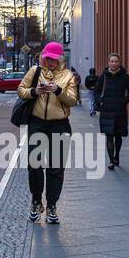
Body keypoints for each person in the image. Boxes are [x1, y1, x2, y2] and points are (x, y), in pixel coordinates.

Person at [19, 41, 79, 225]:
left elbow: (72, 100)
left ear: (60, 59)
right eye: (47, 59)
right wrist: (35, 91)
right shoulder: (34, 71)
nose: (50, 62)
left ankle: (52, 205)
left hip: (59, 125)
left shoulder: (68, 76)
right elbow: (21, 90)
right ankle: (36, 201)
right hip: (37, 123)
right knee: (34, 165)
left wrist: (58, 90)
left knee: (56, 168)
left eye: (53, 59)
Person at [94, 53, 129, 169]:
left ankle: (117, 155)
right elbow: (96, 91)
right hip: (106, 110)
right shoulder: (103, 76)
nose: (114, 63)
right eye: (112, 61)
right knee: (109, 136)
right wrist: (99, 100)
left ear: (119, 63)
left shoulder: (125, 77)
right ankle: (111, 161)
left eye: (116, 61)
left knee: (118, 136)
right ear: (108, 63)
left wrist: (124, 101)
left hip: (119, 111)